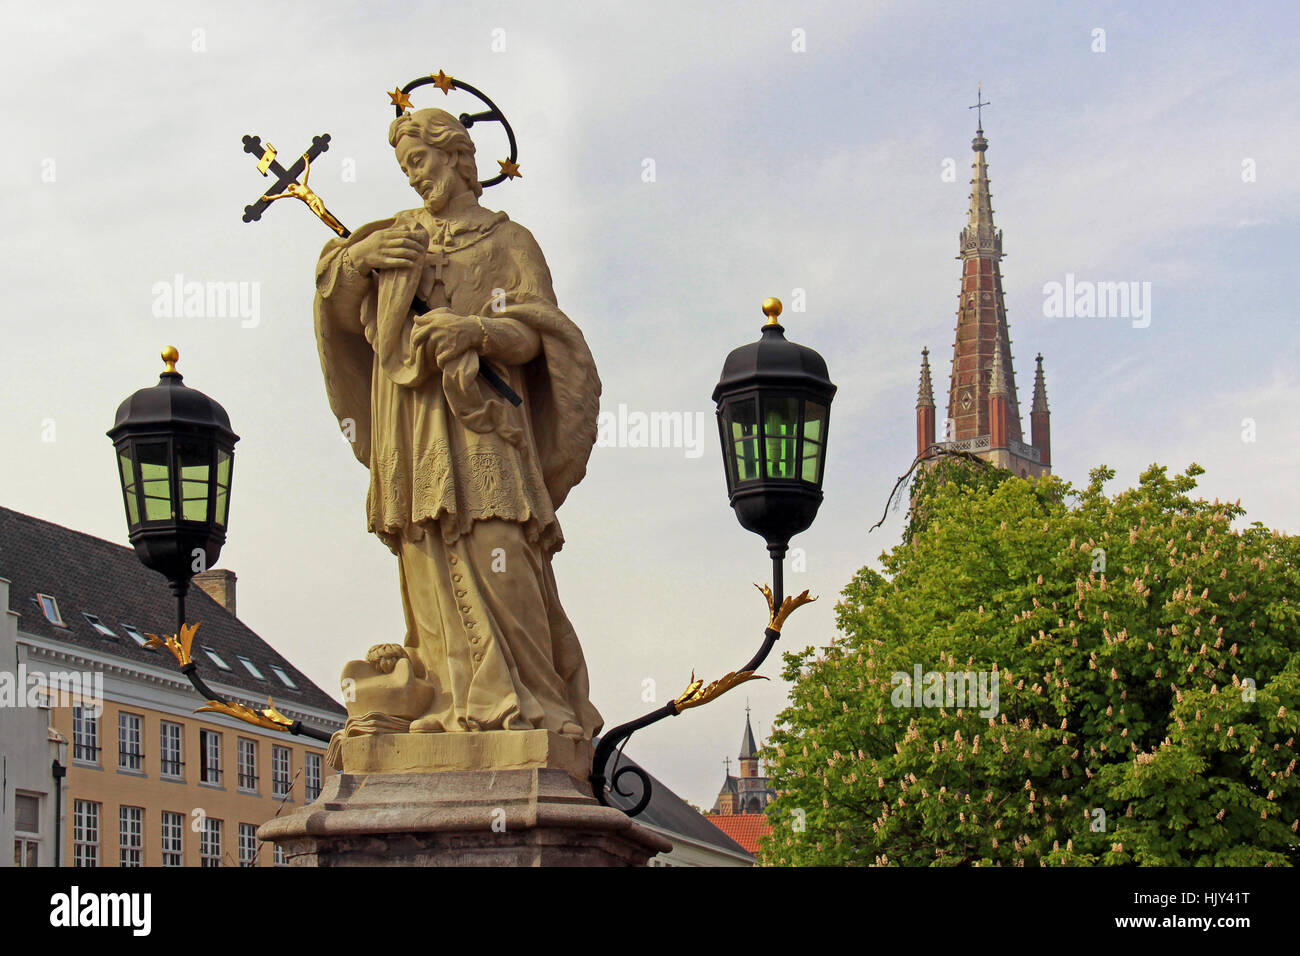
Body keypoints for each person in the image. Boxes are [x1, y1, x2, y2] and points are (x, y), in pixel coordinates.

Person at [313, 107, 602, 740]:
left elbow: (539, 333)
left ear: (457, 156)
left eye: (419, 161)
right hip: (412, 425)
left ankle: (531, 703)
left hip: (486, 424)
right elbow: (337, 303)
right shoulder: (395, 234)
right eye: (404, 168)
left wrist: (475, 330)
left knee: (500, 544)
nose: (414, 179)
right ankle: (449, 703)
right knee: (426, 547)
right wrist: (362, 258)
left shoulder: (509, 241)